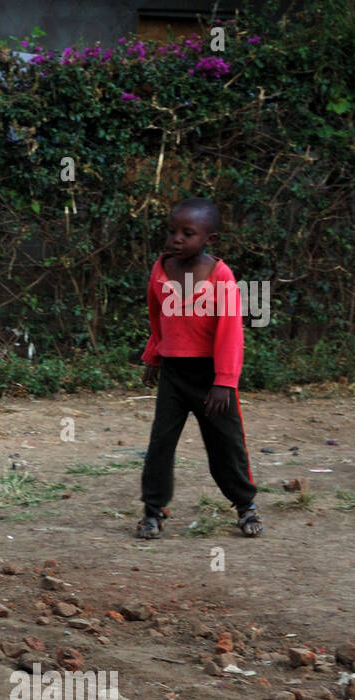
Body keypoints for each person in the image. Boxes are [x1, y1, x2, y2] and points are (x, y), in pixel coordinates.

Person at [136, 197, 262, 539]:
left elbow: (230, 332)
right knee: (161, 443)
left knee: (226, 445)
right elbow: (157, 318)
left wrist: (224, 381)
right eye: (172, 231)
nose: (176, 238)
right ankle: (153, 510)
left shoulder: (221, 276)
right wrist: (153, 356)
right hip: (175, 375)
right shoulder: (161, 269)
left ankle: (245, 506)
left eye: (187, 233)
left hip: (211, 379)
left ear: (210, 239)